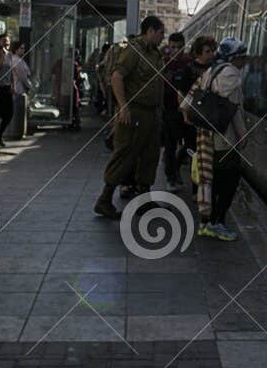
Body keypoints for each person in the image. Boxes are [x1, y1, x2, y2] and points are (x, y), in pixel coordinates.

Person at [94, 16, 167, 218]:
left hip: (151, 114)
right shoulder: (134, 50)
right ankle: (104, 200)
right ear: (150, 31)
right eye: (161, 33)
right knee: (125, 155)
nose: (163, 37)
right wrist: (123, 106)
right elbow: (117, 76)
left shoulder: (155, 53)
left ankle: (144, 201)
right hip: (134, 112)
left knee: (150, 156)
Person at [190, 37, 248, 241]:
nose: (245, 61)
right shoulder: (231, 74)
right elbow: (233, 109)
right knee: (227, 183)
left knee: (212, 180)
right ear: (235, 58)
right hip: (224, 139)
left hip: (207, 135)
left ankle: (208, 222)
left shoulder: (211, 70)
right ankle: (216, 222)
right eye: (243, 57)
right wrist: (242, 135)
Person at [161, 33, 200, 188]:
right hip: (169, 110)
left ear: (184, 47)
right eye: (173, 47)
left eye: (179, 47)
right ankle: (171, 177)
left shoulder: (190, 64)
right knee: (170, 146)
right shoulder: (163, 64)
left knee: (190, 144)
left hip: (188, 110)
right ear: (168, 48)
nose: (176, 50)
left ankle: (177, 169)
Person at [8, 42, 31, 139]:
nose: (23, 50)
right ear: (16, 49)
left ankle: (16, 131)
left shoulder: (16, 59)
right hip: (19, 89)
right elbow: (23, 77)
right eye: (21, 48)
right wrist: (29, 86)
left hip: (18, 88)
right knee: (19, 111)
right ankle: (17, 131)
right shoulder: (17, 61)